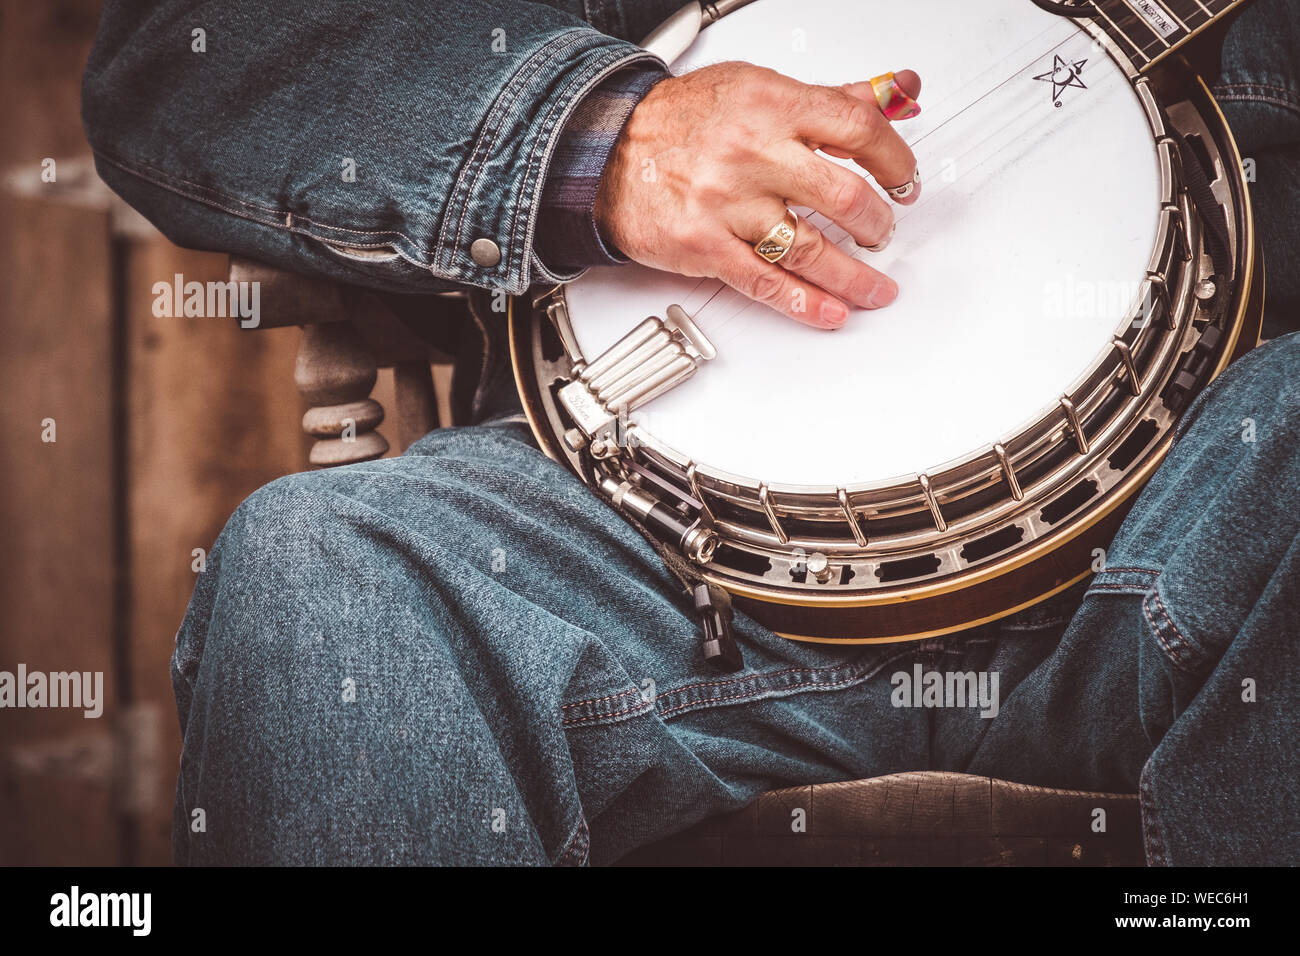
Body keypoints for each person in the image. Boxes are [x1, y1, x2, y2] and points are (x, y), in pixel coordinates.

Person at [81, 0, 1299, 865]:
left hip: (1195, 539)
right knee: (328, 561)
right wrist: (600, 141)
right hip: (643, 555)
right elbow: (183, 52)